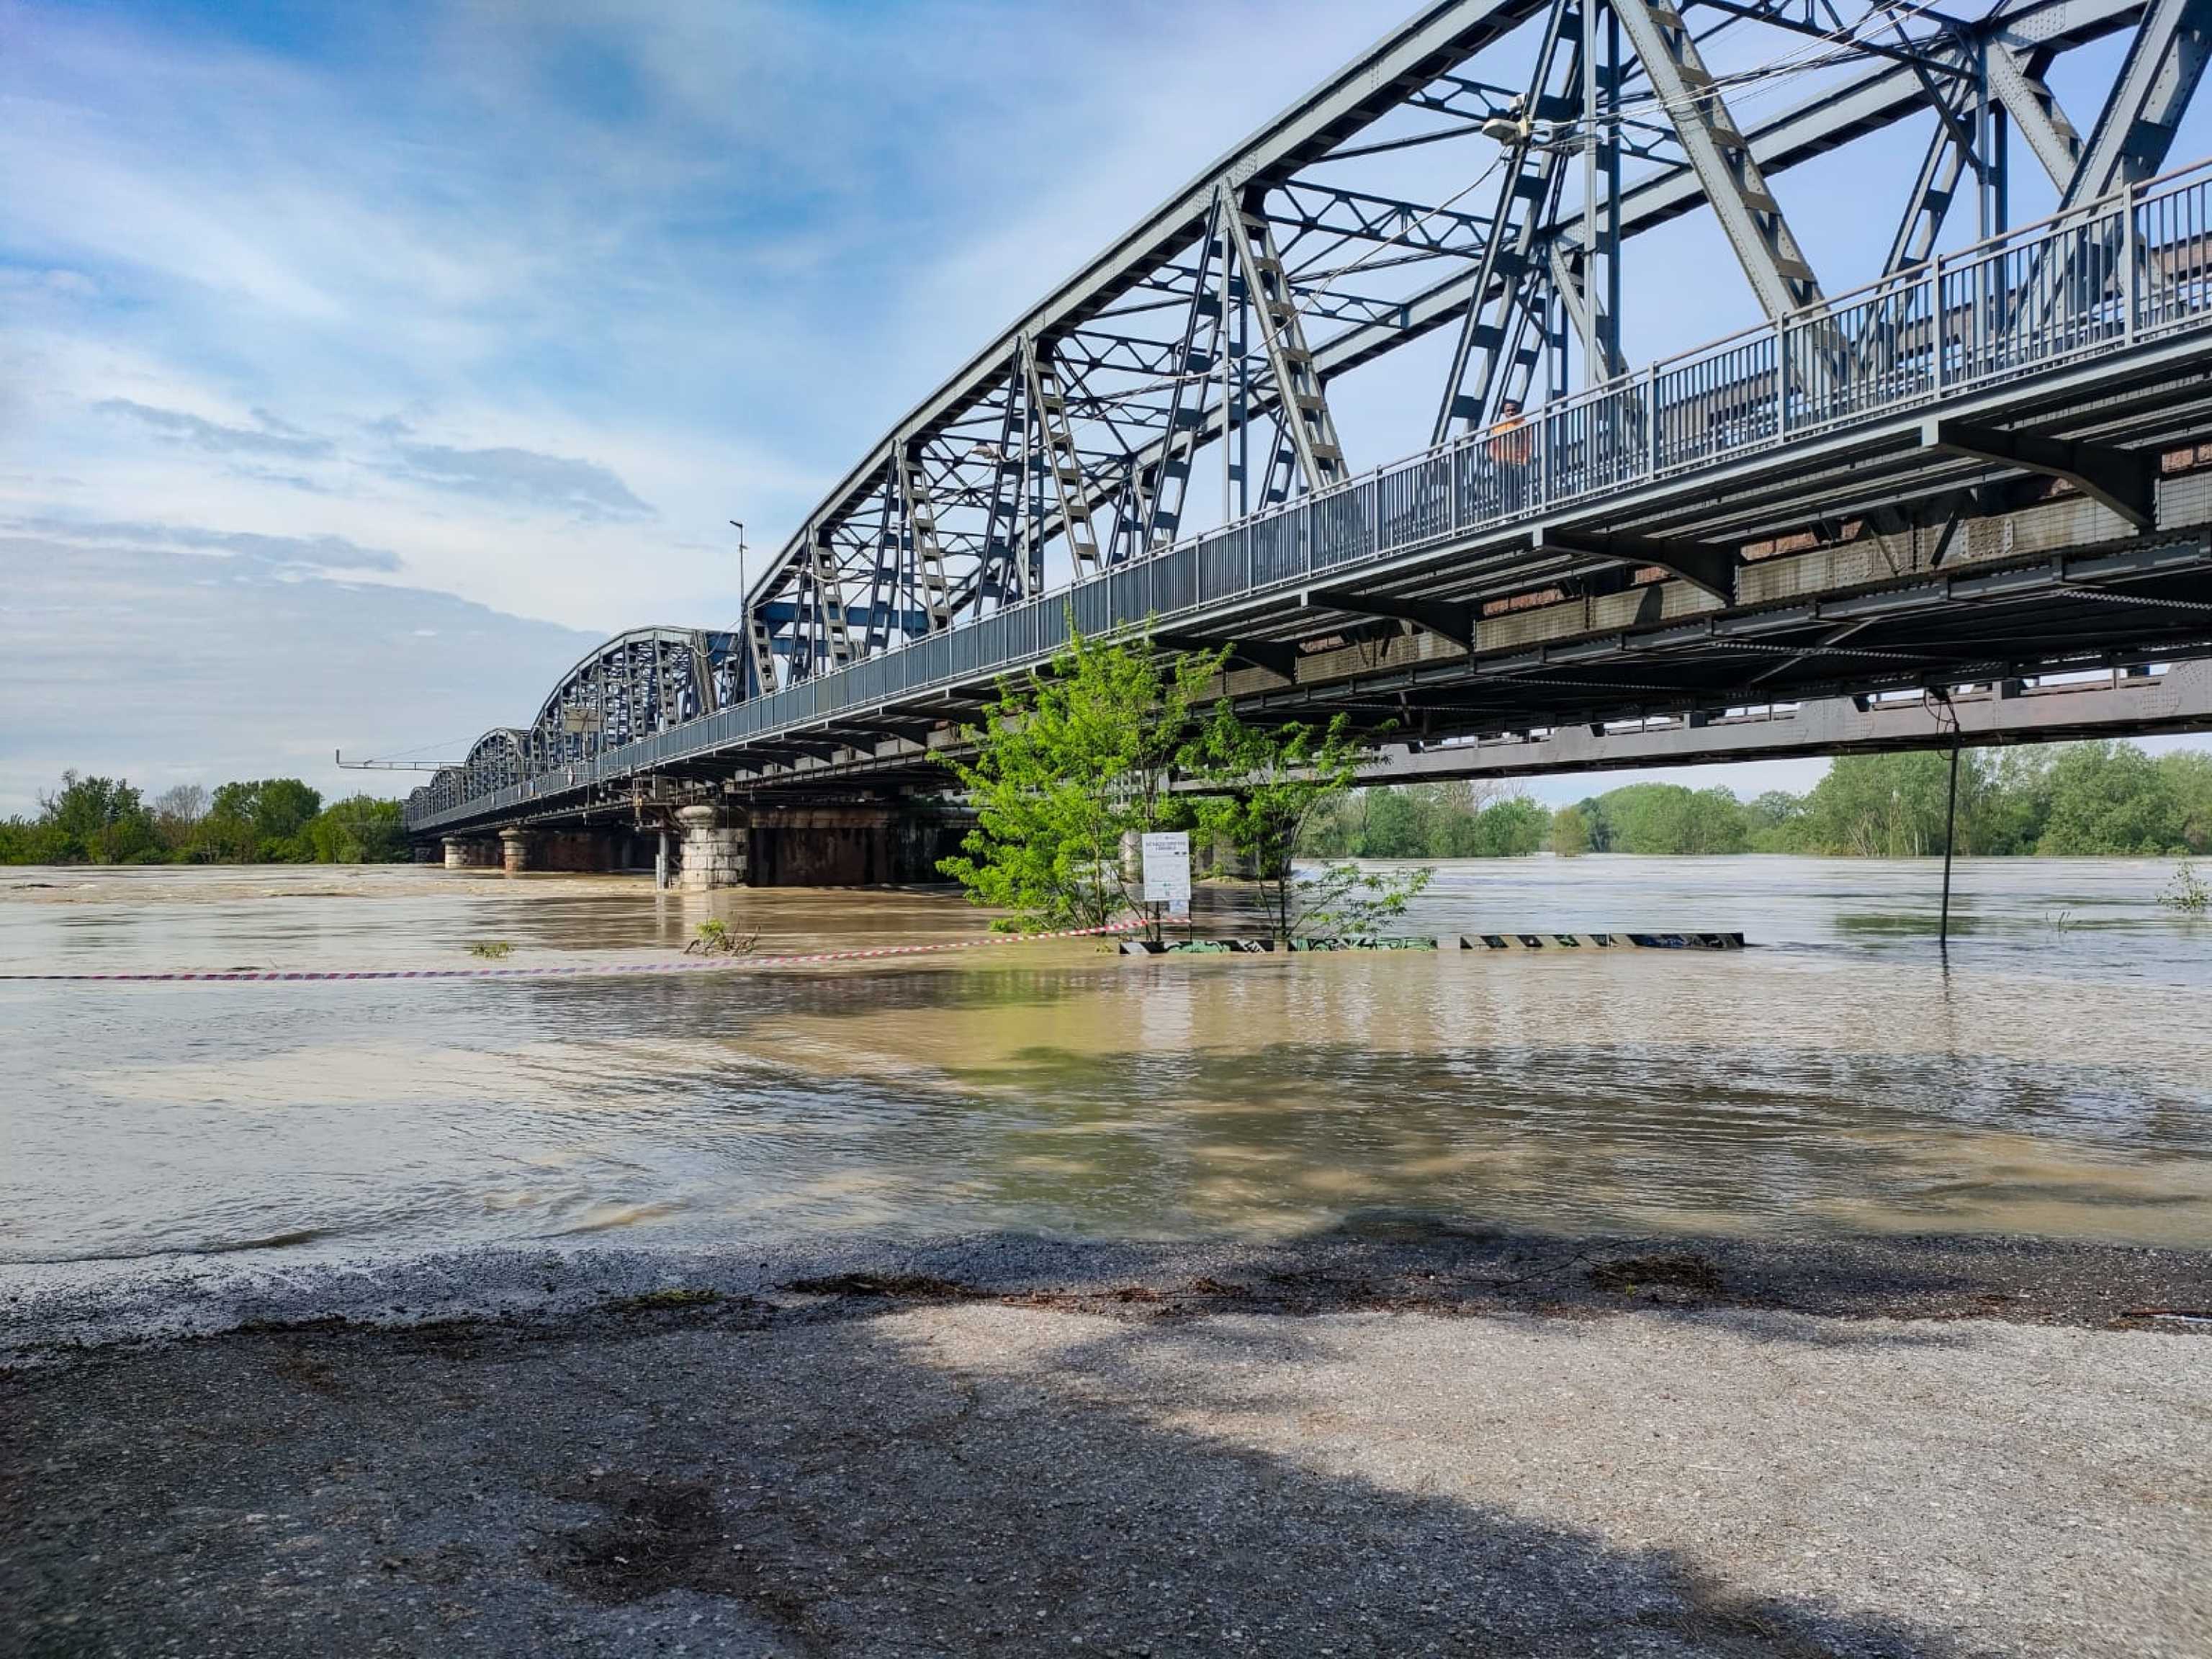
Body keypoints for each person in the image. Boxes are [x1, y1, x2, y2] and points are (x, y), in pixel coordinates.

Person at [1488, 397, 1532, 513]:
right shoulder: (1498, 427)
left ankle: (1516, 512)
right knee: (1503, 489)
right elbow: (1493, 445)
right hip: (1502, 463)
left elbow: (1529, 442)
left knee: (1516, 489)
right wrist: (1496, 459)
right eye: (1508, 410)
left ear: (1517, 411)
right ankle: (1506, 513)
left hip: (1517, 462)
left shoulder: (1523, 424)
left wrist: (1526, 459)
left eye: (1513, 410)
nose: (1511, 412)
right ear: (1504, 412)